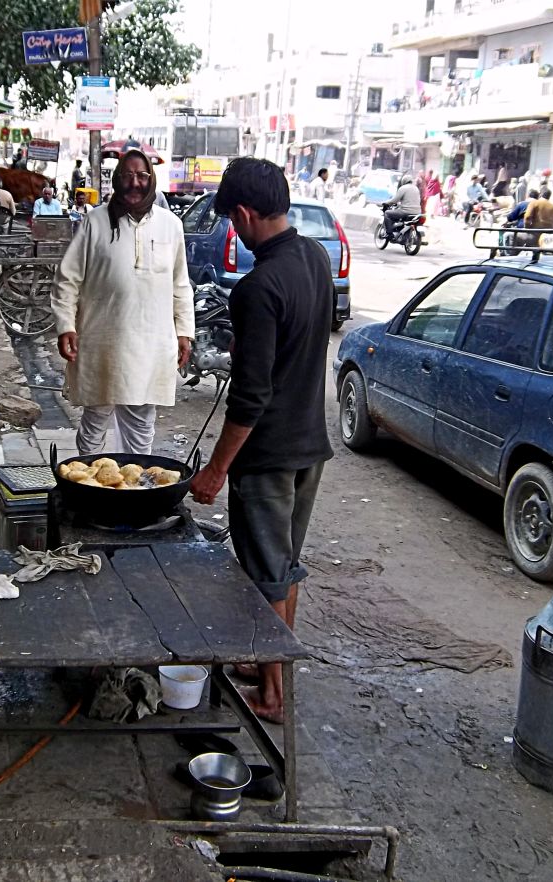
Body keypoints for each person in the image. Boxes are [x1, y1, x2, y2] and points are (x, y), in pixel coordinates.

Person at [188, 157, 333, 723]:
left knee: (266, 573)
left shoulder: (257, 287)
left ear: (245, 214)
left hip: (269, 458)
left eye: (233, 221)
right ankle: (268, 662)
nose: (235, 233)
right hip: (310, 448)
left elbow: (250, 397)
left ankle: (273, 694)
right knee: (285, 566)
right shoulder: (316, 258)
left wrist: (216, 470)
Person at [52, 149, 194, 456]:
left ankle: (134, 494)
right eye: (127, 176)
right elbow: (67, 278)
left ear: (151, 180)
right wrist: (65, 326)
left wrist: (184, 332)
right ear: (117, 180)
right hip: (102, 339)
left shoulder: (171, 225)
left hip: (151, 342)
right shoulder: (95, 221)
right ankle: (89, 490)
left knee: (142, 426)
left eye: (142, 176)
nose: (135, 183)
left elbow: (180, 283)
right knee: (95, 422)